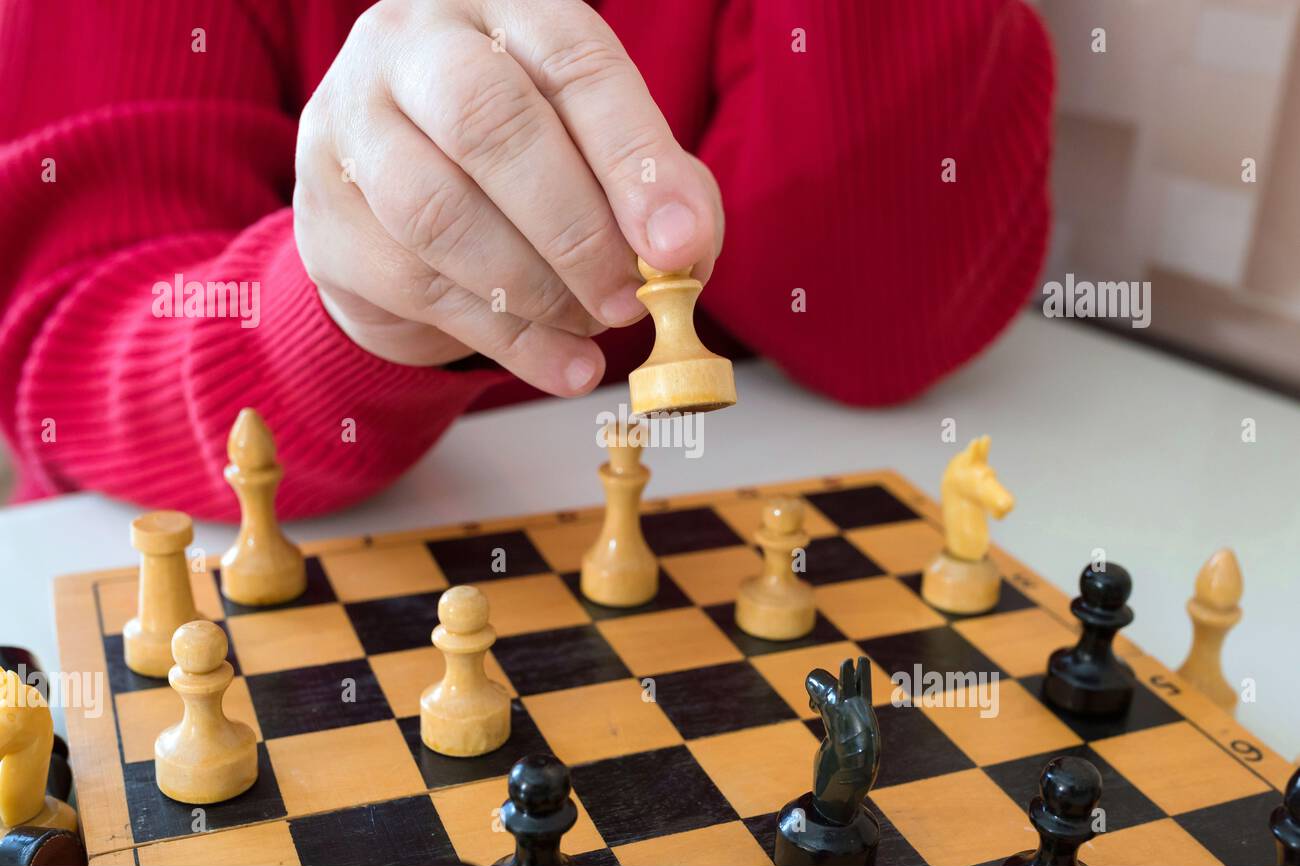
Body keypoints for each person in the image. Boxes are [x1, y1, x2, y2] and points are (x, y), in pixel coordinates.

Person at [0, 0, 1053, 521]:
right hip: (283, 599)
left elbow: (881, 317)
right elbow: (60, 345)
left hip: (711, 547)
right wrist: (339, 311)